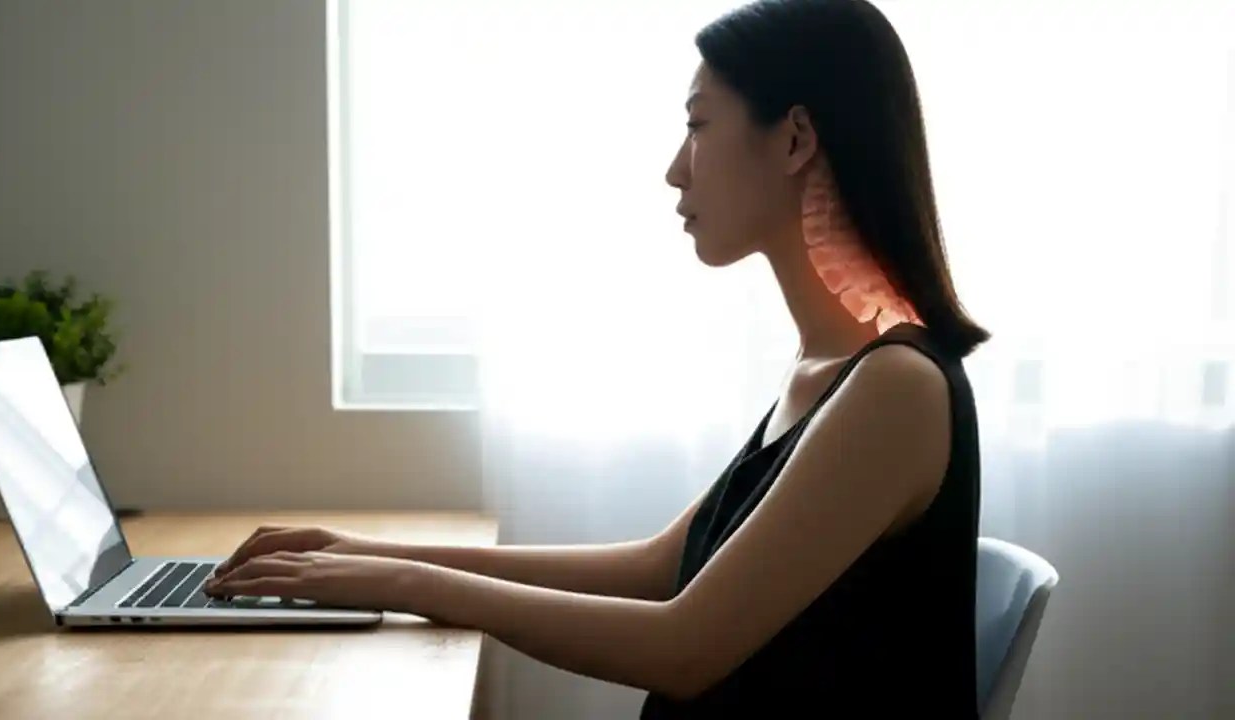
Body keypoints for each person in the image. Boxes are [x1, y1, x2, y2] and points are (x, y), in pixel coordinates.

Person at [205, 0, 988, 716]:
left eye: (698, 125)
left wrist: (403, 584)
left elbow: (683, 649)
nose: (677, 169)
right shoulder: (830, 369)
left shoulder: (896, 390)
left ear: (794, 138)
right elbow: (659, 567)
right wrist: (364, 556)